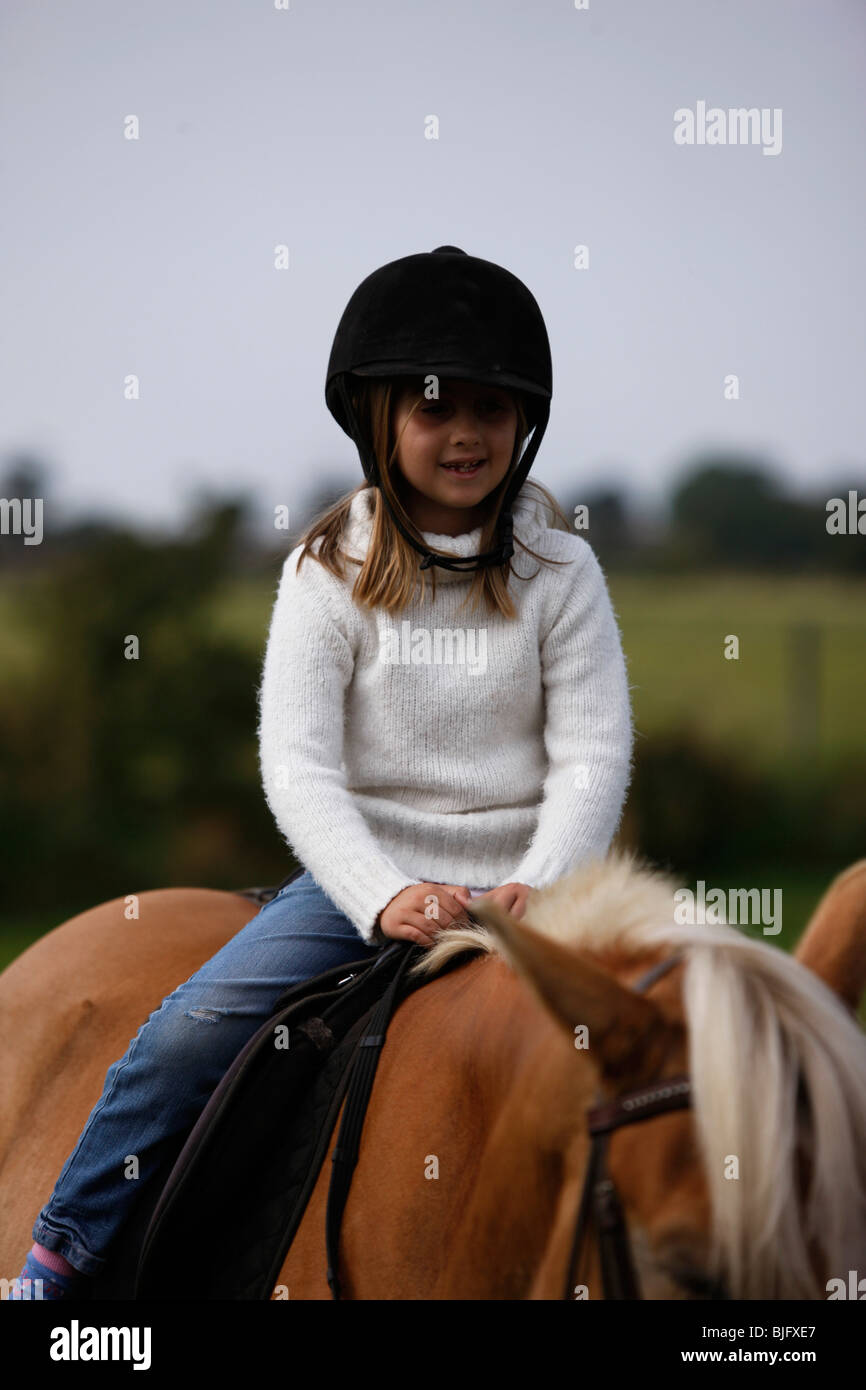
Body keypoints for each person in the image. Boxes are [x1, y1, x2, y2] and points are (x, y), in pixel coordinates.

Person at [10, 246, 632, 1300]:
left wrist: (548, 875)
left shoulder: (560, 570)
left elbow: (591, 752)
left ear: (523, 424)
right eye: (437, 409)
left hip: (540, 889)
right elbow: (296, 768)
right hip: (361, 887)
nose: (467, 432)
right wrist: (383, 893)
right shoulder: (329, 567)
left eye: (492, 407)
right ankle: (59, 1258)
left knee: (708, 1015)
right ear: (379, 419)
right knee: (177, 1040)